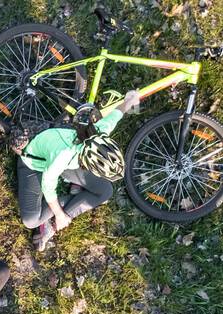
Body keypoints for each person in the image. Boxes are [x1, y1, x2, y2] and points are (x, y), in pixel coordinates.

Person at [12, 91, 141, 252]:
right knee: (31, 220)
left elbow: (116, 114)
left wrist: (129, 100)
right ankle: (58, 215)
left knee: (105, 191)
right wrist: (59, 214)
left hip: (68, 162)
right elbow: (47, 186)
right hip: (34, 164)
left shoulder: (98, 134)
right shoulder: (63, 154)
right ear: (87, 163)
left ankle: (54, 223)